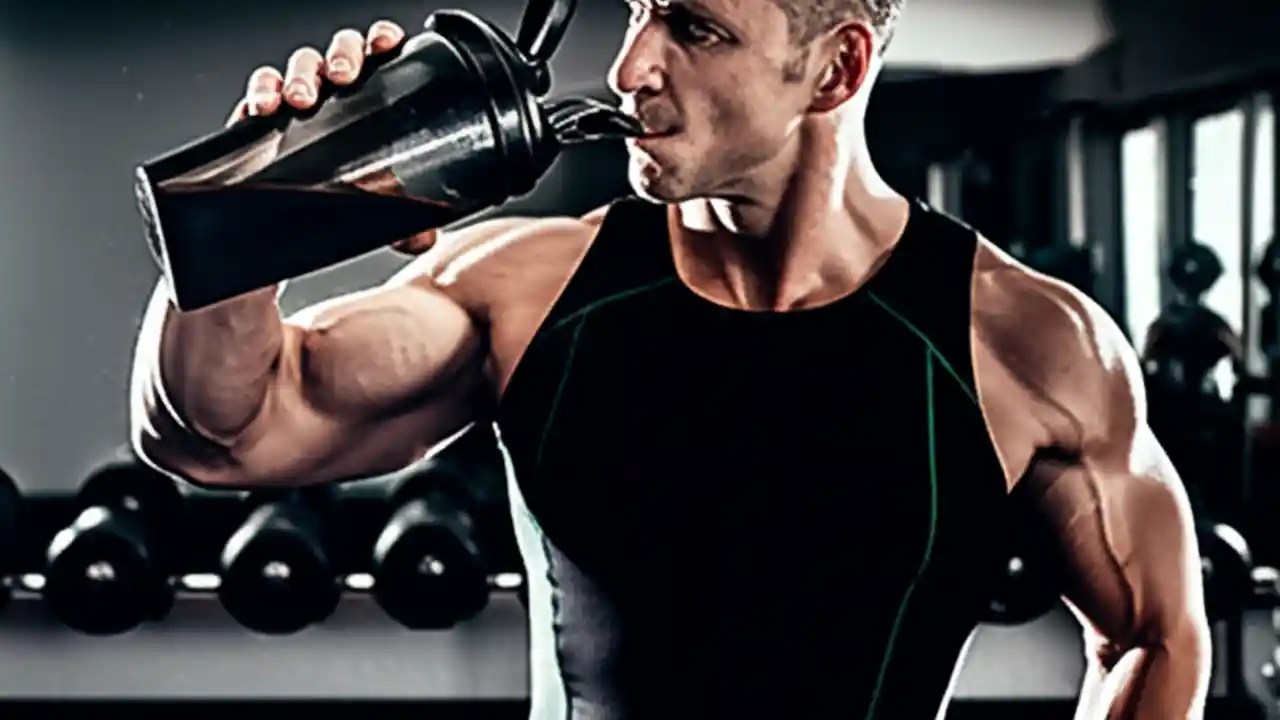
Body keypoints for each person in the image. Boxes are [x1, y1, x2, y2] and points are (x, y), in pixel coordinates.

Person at [129, 1, 1212, 717]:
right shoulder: (526, 288)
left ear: (834, 68)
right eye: (641, 7)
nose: (630, 64)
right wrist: (261, 205)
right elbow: (222, 431)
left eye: (692, 28)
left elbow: (1152, 637)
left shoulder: (1024, 345)